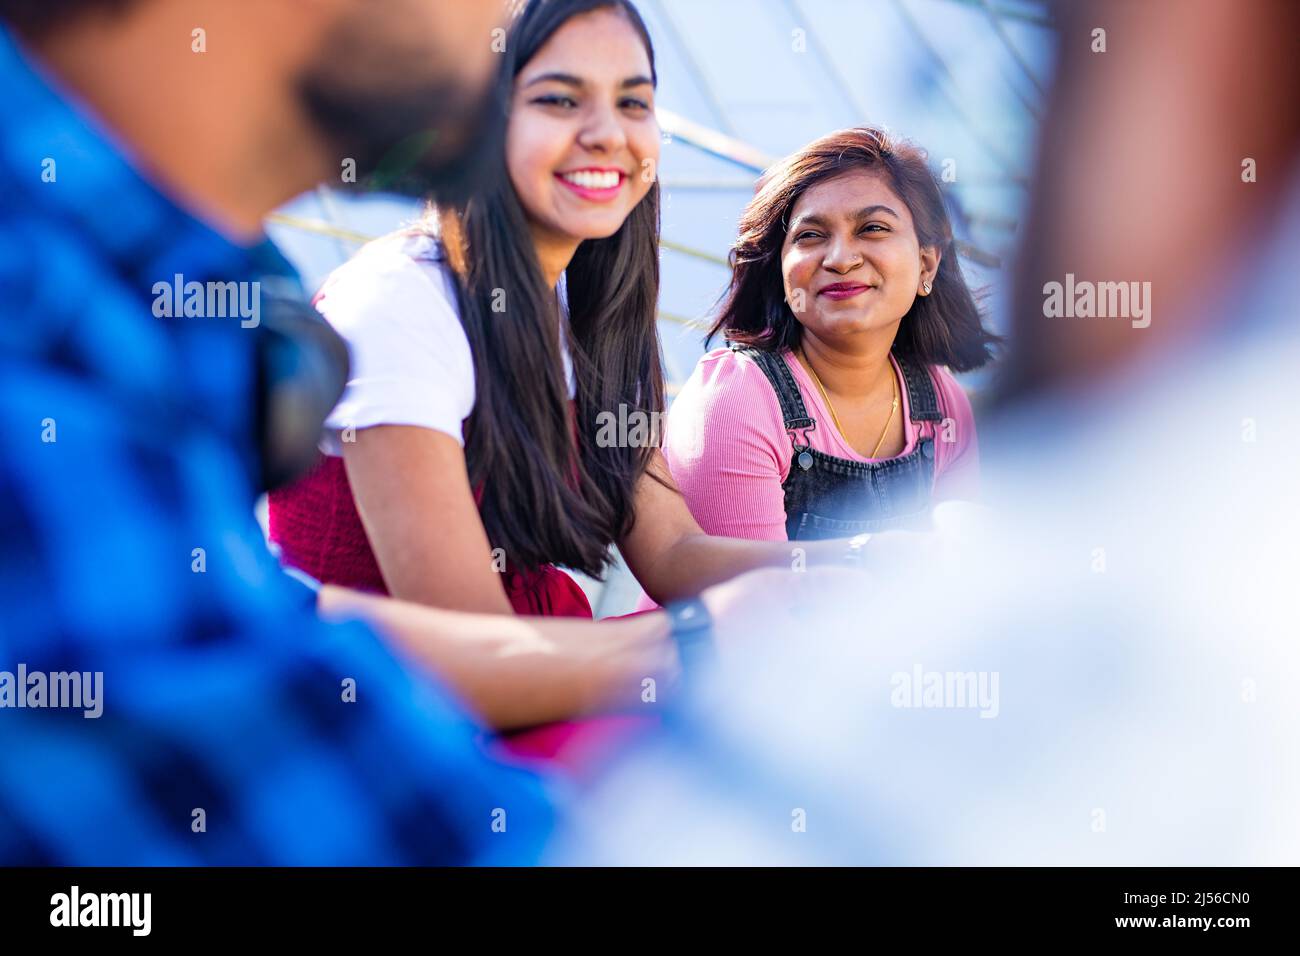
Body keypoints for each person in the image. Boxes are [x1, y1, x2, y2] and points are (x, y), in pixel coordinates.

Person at [268, 1, 874, 639]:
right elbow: (479, 648)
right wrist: (696, 639)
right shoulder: (401, 302)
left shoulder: (588, 320)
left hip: (553, 671)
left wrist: (866, 561)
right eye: (559, 100)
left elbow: (671, 554)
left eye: (633, 103)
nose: (608, 133)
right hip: (388, 712)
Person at [662, 128, 999, 542]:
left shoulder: (943, 406)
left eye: (872, 228)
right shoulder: (736, 397)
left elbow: (962, 577)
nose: (840, 259)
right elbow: (749, 599)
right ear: (779, 269)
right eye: (811, 235)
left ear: (926, 265)